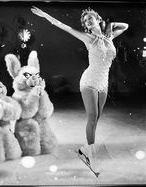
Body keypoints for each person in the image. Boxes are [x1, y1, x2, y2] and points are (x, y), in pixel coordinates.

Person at [31, 6, 128, 173]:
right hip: (89, 81)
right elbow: (63, 26)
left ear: (98, 19)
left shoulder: (109, 36)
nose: (87, 21)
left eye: (90, 18)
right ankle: (91, 156)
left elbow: (125, 26)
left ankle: (84, 150)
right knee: (91, 118)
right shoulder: (87, 37)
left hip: (103, 83)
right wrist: (46, 15)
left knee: (96, 118)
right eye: (85, 21)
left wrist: (107, 26)